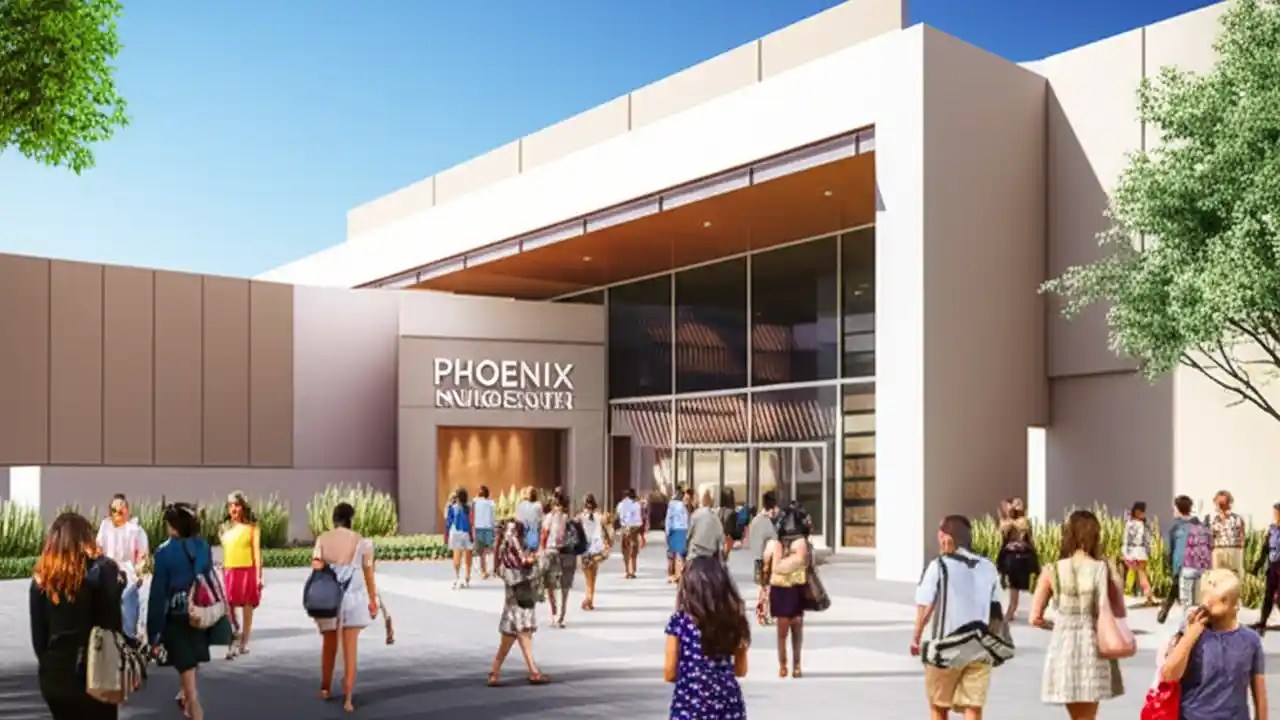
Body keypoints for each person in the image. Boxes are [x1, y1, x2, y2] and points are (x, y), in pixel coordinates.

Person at [1029, 509, 1124, 719]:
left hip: (1064, 647)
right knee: (1087, 716)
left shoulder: (1051, 569)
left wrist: (1058, 624)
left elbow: (1034, 617)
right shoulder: (1102, 568)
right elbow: (1116, 607)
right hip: (1094, 647)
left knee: (1076, 716)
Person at [30, 512, 124, 720]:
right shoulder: (100, 573)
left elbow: (39, 639)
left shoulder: (41, 581)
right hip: (97, 670)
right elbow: (114, 623)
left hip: (56, 676)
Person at [911, 515, 1003, 720]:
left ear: (944, 536)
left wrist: (916, 636)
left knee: (938, 706)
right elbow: (996, 610)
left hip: (945, 648)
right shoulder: (988, 567)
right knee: (973, 707)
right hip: (978, 647)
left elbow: (924, 605)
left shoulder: (939, 566)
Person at [1160, 569, 1268, 720]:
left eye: (1221, 599)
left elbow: (1260, 695)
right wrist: (1192, 633)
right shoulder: (1190, 631)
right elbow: (1169, 674)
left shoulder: (1251, 640)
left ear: (1235, 604)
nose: (1208, 602)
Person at [149, 503, 220, 720]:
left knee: (184, 659)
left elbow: (158, 594)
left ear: (172, 526)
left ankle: (193, 699)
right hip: (200, 608)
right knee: (189, 655)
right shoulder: (202, 546)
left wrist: (154, 632)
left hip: (176, 612)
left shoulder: (164, 552)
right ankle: (187, 697)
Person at [312, 501, 379, 713]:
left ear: (334, 519)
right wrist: (373, 600)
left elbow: (316, 565)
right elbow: (369, 574)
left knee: (329, 643)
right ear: (351, 519)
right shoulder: (363, 542)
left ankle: (325, 687)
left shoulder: (323, 539)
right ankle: (348, 697)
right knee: (351, 647)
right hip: (354, 597)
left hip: (329, 598)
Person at [664, 556, 749, 719]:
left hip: (689, 705)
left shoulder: (680, 622)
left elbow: (669, 672)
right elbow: (741, 670)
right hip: (728, 705)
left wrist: (691, 675)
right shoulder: (733, 620)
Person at [488, 519, 550, 686]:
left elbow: (502, 571)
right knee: (523, 634)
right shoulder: (521, 562)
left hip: (510, 605)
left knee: (510, 638)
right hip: (522, 603)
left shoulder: (503, 559)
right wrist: (540, 557)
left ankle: (495, 672)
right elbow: (536, 571)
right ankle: (532, 671)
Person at [96, 493, 149, 644]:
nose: (117, 514)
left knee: (127, 606)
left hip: (129, 573)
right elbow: (99, 547)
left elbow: (142, 555)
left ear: (127, 511)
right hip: (107, 570)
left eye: (121, 510)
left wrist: (139, 574)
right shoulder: (105, 526)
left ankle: (128, 639)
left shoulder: (135, 529)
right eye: (114, 510)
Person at [764, 506, 810, 678]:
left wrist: (776, 564)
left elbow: (765, 565)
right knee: (797, 630)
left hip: (780, 589)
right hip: (796, 588)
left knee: (781, 633)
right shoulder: (802, 543)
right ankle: (796, 666)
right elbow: (805, 562)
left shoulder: (774, 544)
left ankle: (783, 665)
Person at [220, 490, 263, 657]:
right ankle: (234, 636)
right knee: (229, 607)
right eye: (230, 506)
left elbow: (257, 553)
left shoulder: (252, 529)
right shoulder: (224, 529)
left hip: (247, 571)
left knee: (247, 606)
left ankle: (245, 642)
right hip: (229, 570)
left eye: (236, 505)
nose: (233, 509)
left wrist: (259, 576)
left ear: (243, 507)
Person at [995, 497, 1037, 623]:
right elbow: (1003, 529)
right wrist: (1006, 514)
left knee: (1016, 585)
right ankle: (1011, 609)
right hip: (1011, 558)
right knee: (1013, 585)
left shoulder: (1023, 521)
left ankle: (1012, 610)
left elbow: (1023, 527)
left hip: (1021, 558)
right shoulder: (1006, 522)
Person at [1158, 495, 1197, 624]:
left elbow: (1168, 549)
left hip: (1180, 562)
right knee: (1191, 593)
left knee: (1177, 586)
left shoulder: (1174, 525)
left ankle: (1167, 610)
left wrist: (1168, 563)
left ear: (1177, 508)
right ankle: (1166, 609)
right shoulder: (1198, 523)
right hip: (1196, 563)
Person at [540, 491, 575, 628]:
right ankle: (562, 615)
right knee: (564, 587)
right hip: (566, 554)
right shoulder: (568, 519)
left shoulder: (548, 517)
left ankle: (555, 614)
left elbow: (544, 536)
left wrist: (541, 551)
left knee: (551, 586)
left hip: (551, 551)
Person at [747, 492, 780, 626]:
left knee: (763, 587)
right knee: (767, 588)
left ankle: (763, 613)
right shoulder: (767, 522)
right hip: (766, 558)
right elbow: (774, 539)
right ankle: (763, 613)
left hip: (757, 558)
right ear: (772, 508)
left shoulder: (755, 520)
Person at [1249, 502, 1280, 636]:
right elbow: (1265, 550)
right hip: (1273, 566)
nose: (1275, 515)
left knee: (1279, 598)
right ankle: (1262, 622)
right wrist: (1257, 566)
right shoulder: (1272, 529)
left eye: (1276, 512)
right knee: (1268, 596)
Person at [578, 493, 610, 611]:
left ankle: (588, 599)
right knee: (593, 576)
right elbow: (607, 532)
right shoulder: (600, 516)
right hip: (596, 549)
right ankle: (589, 599)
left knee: (587, 577)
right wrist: (607, 545)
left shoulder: (580, 517)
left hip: (585, 549)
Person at [1121, 501, 1155, 606]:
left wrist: (1125, 552)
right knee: (1142, 574)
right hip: (1140, 553)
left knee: (1141, 575)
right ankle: (1148, 595)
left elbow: (1126, 539)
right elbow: (1146, 540)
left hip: (1132, 553)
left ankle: (1148, 595)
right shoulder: (1142, 524)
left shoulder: (1130, 524)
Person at [1209, 490, 1247, 577]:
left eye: (1223, 502)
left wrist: (1240, 553)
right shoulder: (1213, 519)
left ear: (1229, 502)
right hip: (1218, 550)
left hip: (1233, 550)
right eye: (1218, 502)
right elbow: (1210, 537)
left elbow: (1242, 537)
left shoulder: (1237, 518)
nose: (1220, 504)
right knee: (1217, 578)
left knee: (1233, 578)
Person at [445, 487, 475, 590]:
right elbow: (472, 522)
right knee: (467, 556)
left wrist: (446, 535)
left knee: (457, 556)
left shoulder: (452, 508)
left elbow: (448, 522)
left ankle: (458, 577)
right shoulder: (469, 508)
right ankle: (466, 577)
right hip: (466, 533)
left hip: (456, 533)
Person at [687, 490, 725, 562]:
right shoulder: (715, 517)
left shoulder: (696, 514)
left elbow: (688, 534)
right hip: (709, 554)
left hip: (694, 553)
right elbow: (721, 538)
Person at [616, 488, 644, 579]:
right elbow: (638, 520)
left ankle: (627, 570)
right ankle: (632, 571)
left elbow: (618, 517)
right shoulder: (636, 505)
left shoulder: (620, 505)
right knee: (633, 551)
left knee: (625, 551)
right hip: (633, 529)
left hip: (624, 529)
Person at [665, 487, 690, 584]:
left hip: (673, 530)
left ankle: (673, 575)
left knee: (673, 554)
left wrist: (667, 532)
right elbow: (686, 520)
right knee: (680, 554)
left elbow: (668, 519)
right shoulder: (683, 506)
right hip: (682, 530)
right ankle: (679, 575)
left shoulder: (671, 505)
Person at [473, 486, 497, 580]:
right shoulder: (491, 503)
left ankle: (483, 571)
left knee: (481, 551)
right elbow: (492, 517)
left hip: (478, 528)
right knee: (490, 550)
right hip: (488, 528)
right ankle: (489, 569)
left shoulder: (475, 502)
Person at [516, 487, 545, 553]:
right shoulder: (537, 505)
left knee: (529, 552)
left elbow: (518, 519)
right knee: (532, 552)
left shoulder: (524, 505)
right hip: (530, 532)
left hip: (529, 532)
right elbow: (541, 519)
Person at [718, 488, 739, 560]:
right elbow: (731, 532)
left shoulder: (719, 511)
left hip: (718, 541)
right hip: (727, 541)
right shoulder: (732, 513)